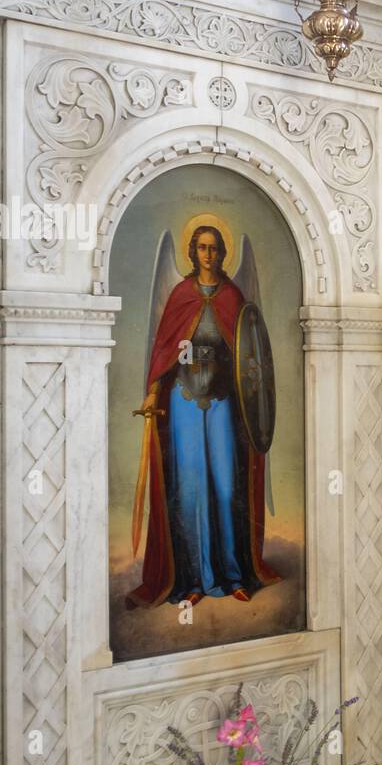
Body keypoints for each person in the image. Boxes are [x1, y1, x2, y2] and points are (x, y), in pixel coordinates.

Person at [127, 226, 278, 608]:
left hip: (225, 397)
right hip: (183, 398)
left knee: (227, 487)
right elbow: (165, 350)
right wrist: (152, 389)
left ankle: (232, 575)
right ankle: (193, 579)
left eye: (214, 248)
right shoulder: (181, 294)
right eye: (202, 248)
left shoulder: (232, 296)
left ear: (223, 252)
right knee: (191, 488)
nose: (208, 254)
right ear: (192, 252)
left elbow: (250, 353)